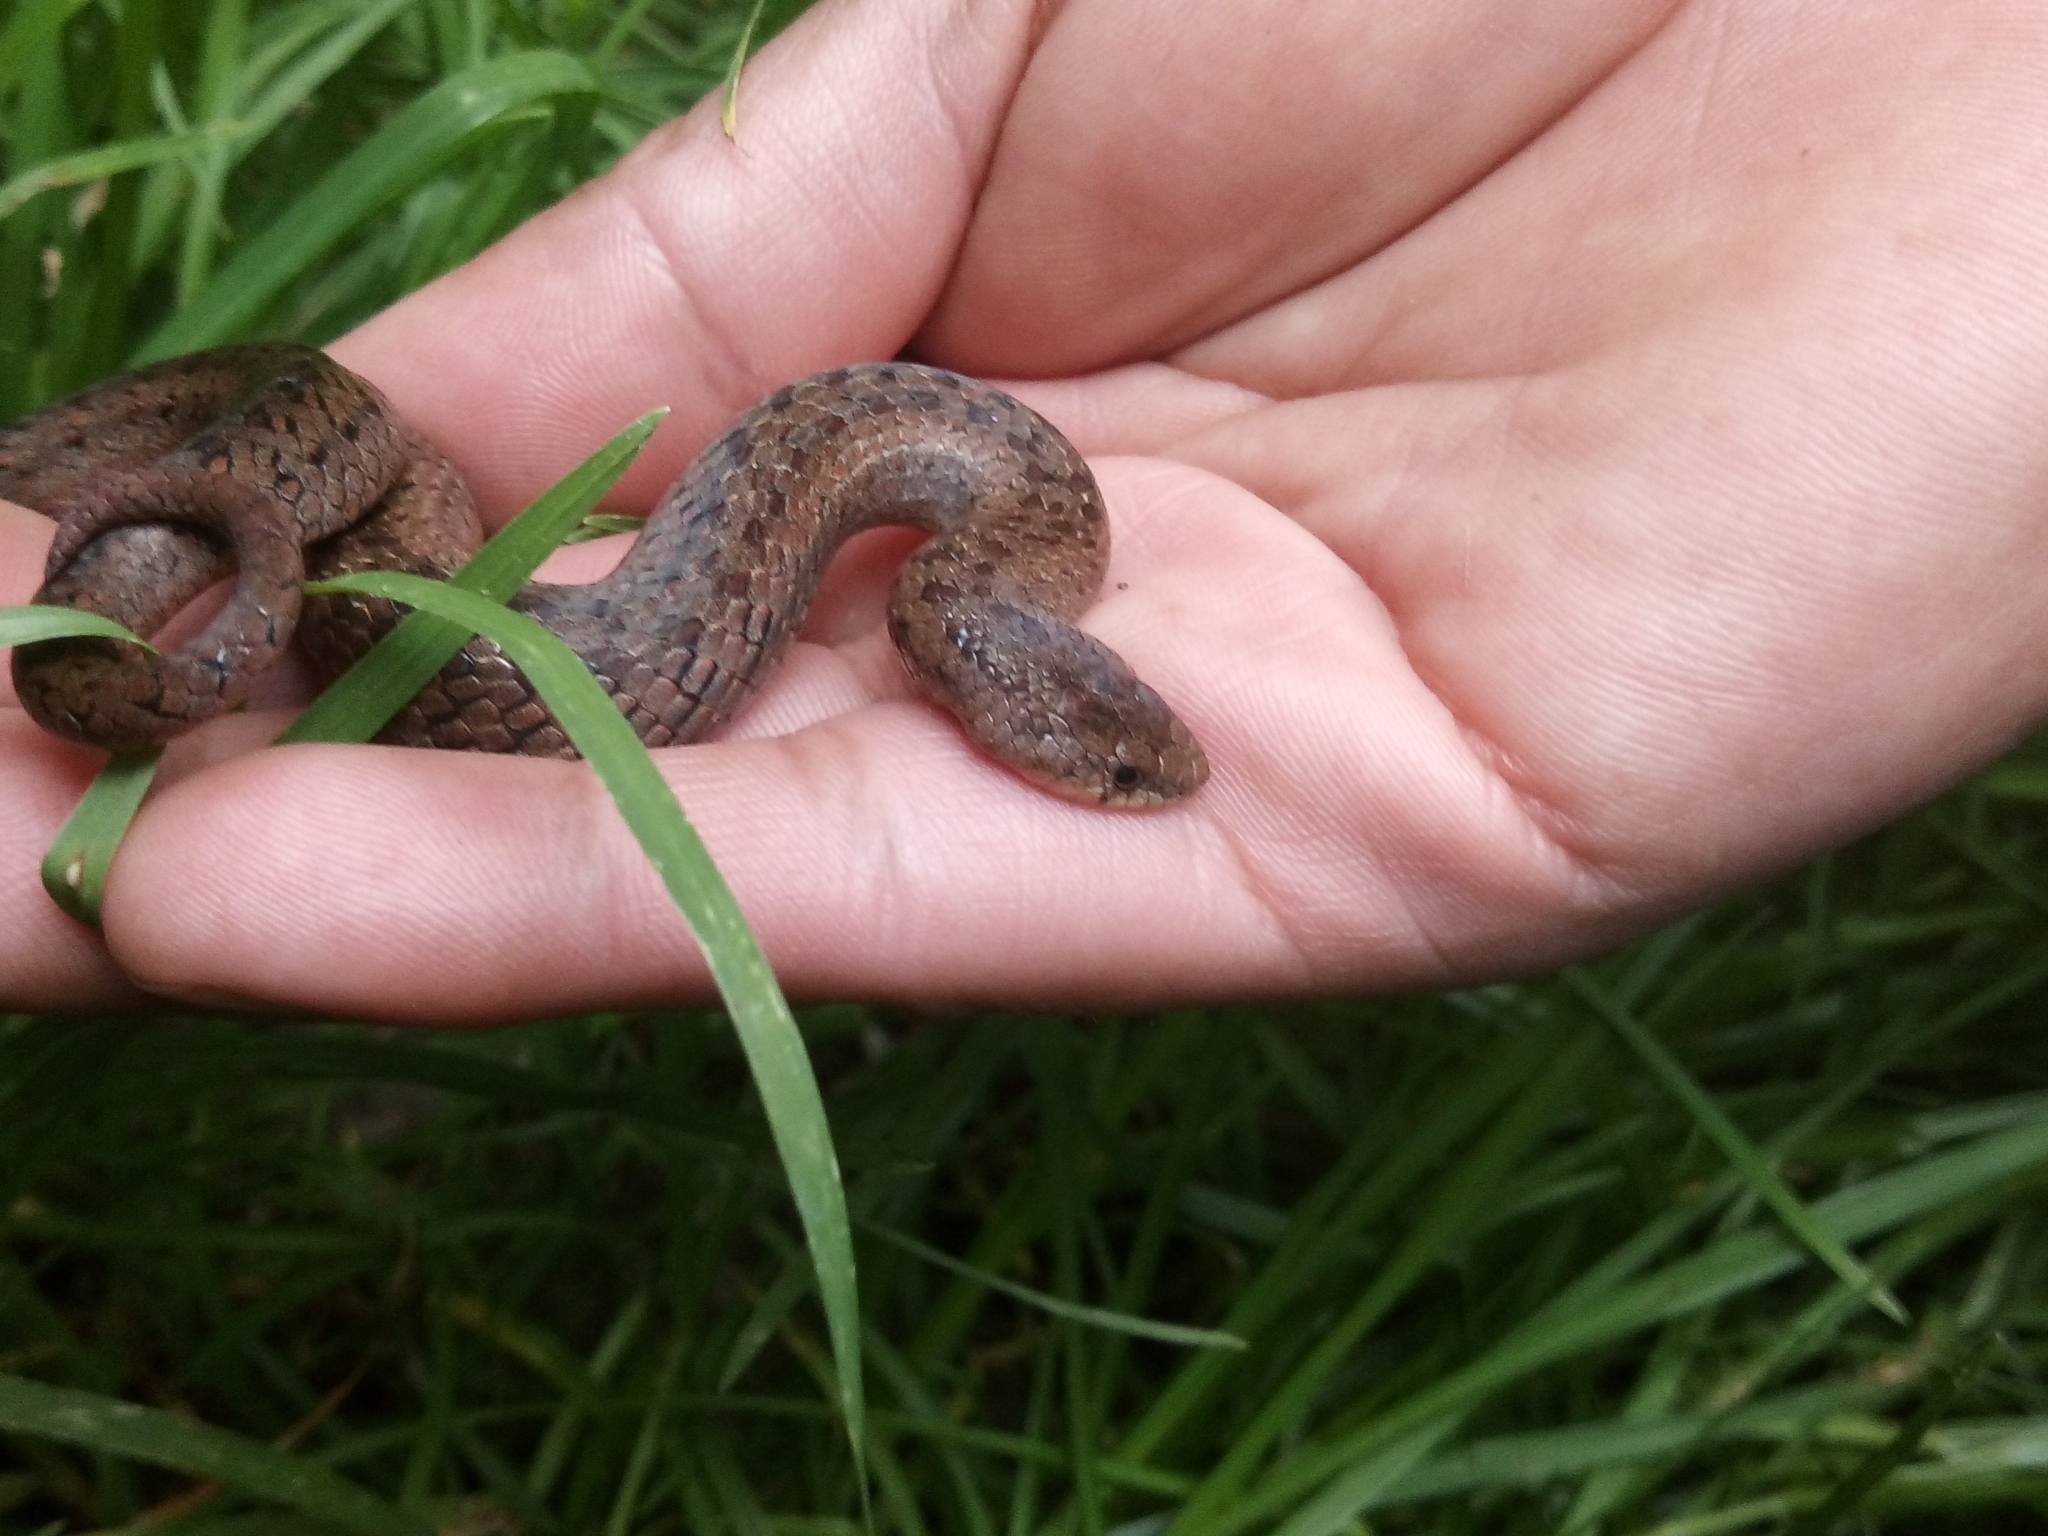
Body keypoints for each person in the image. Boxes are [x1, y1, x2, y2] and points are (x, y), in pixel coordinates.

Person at [5, 0, 2042, 1020]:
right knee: (310, 480)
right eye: (1121, 764)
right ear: (1020, 699)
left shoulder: (993, 558)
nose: (1139, 776)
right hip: (324, 509)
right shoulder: (978, 561)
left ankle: (229, 512)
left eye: (1118, 760)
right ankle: (198, 511)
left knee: (340, 487)